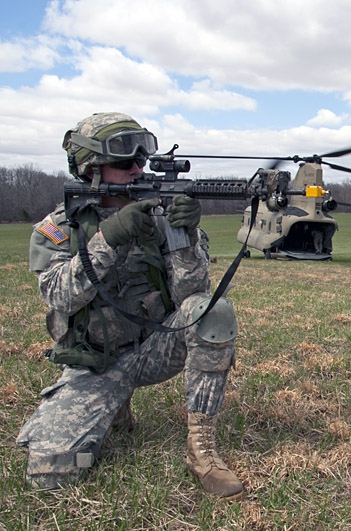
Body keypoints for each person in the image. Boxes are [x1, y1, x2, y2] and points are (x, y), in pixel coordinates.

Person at [16, 112, 243, 500]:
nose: (138, 169)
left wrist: (184, 236)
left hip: (153, 349)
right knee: (51, 474)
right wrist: (109, 237)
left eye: (142, 161)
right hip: (96, 361)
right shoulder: (59, 227)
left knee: (213, 311)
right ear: (91, 169)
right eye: (124, 164)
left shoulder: (160, 216)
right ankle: (113, 403)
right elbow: (59, 296)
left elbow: (193, 296)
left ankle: (200, 449)